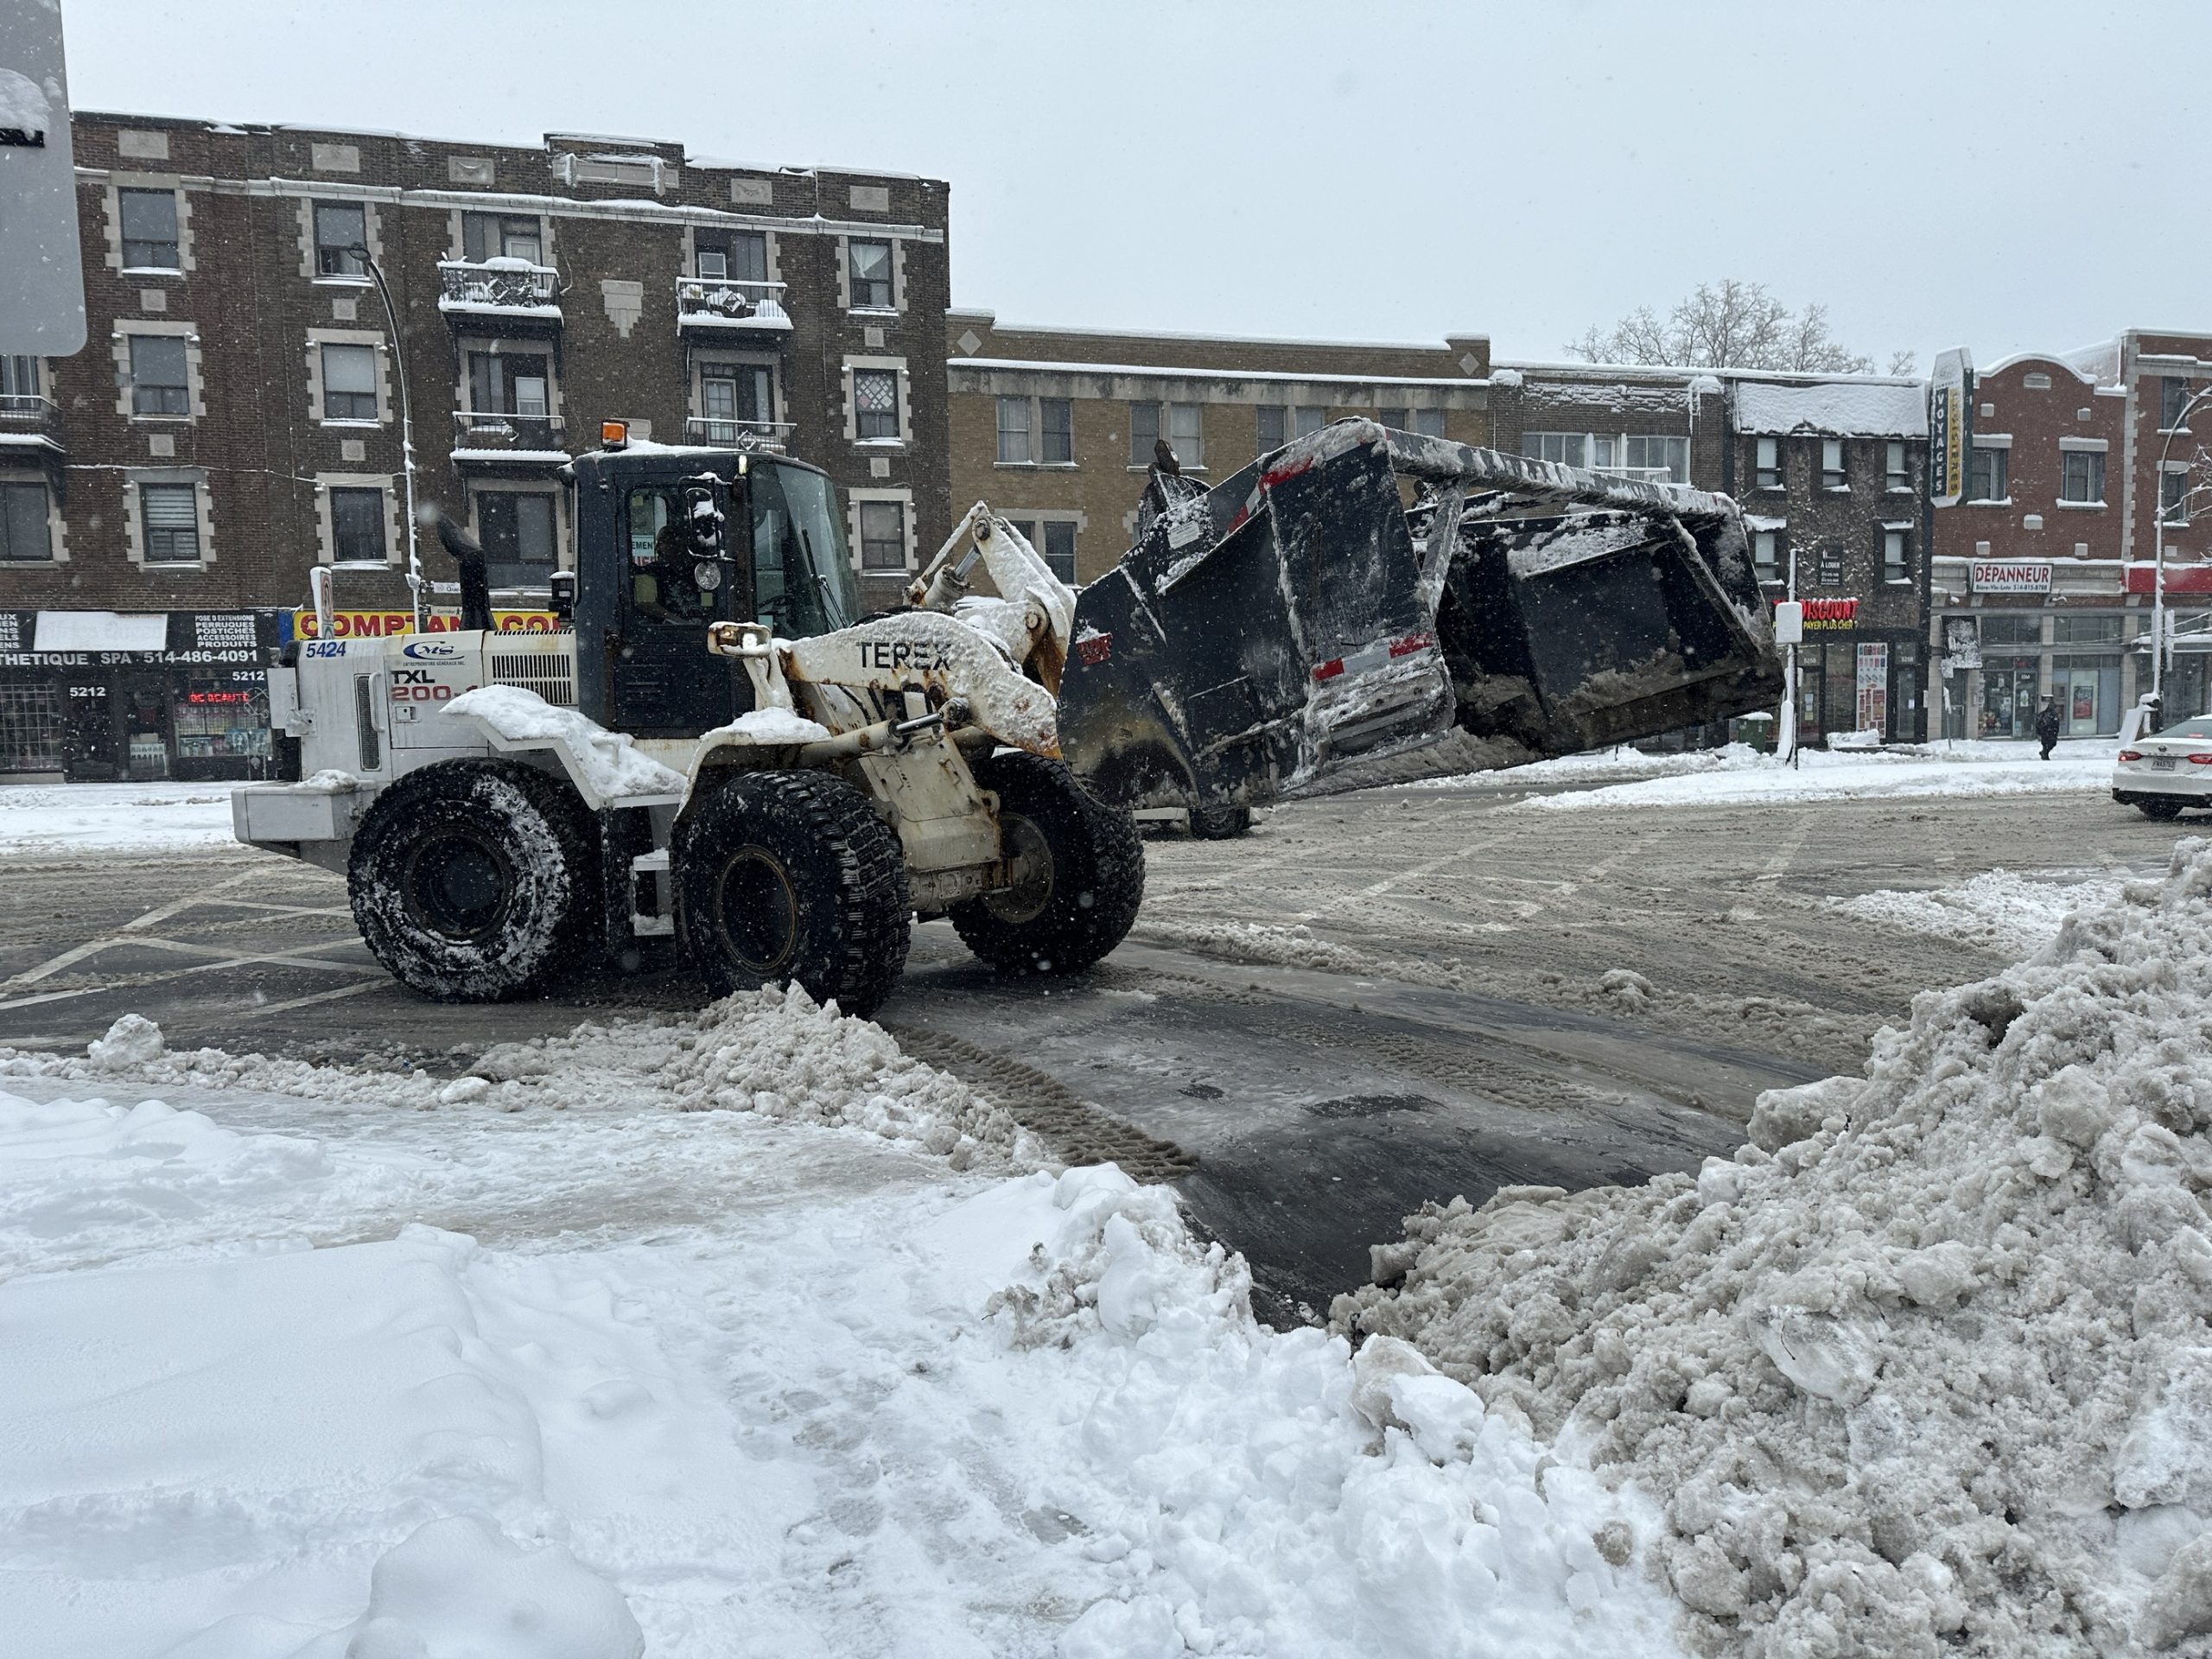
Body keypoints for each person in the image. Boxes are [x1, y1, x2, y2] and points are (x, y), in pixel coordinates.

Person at [2035, 696, 2063, 760]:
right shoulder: (2050, 715)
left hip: (2047, 732)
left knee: (2047, 744)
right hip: (2048, 732)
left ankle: (2044, 754)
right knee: (2049, 744)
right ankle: (2045, 754)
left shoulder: (2045, 714)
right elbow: (2055, 724)